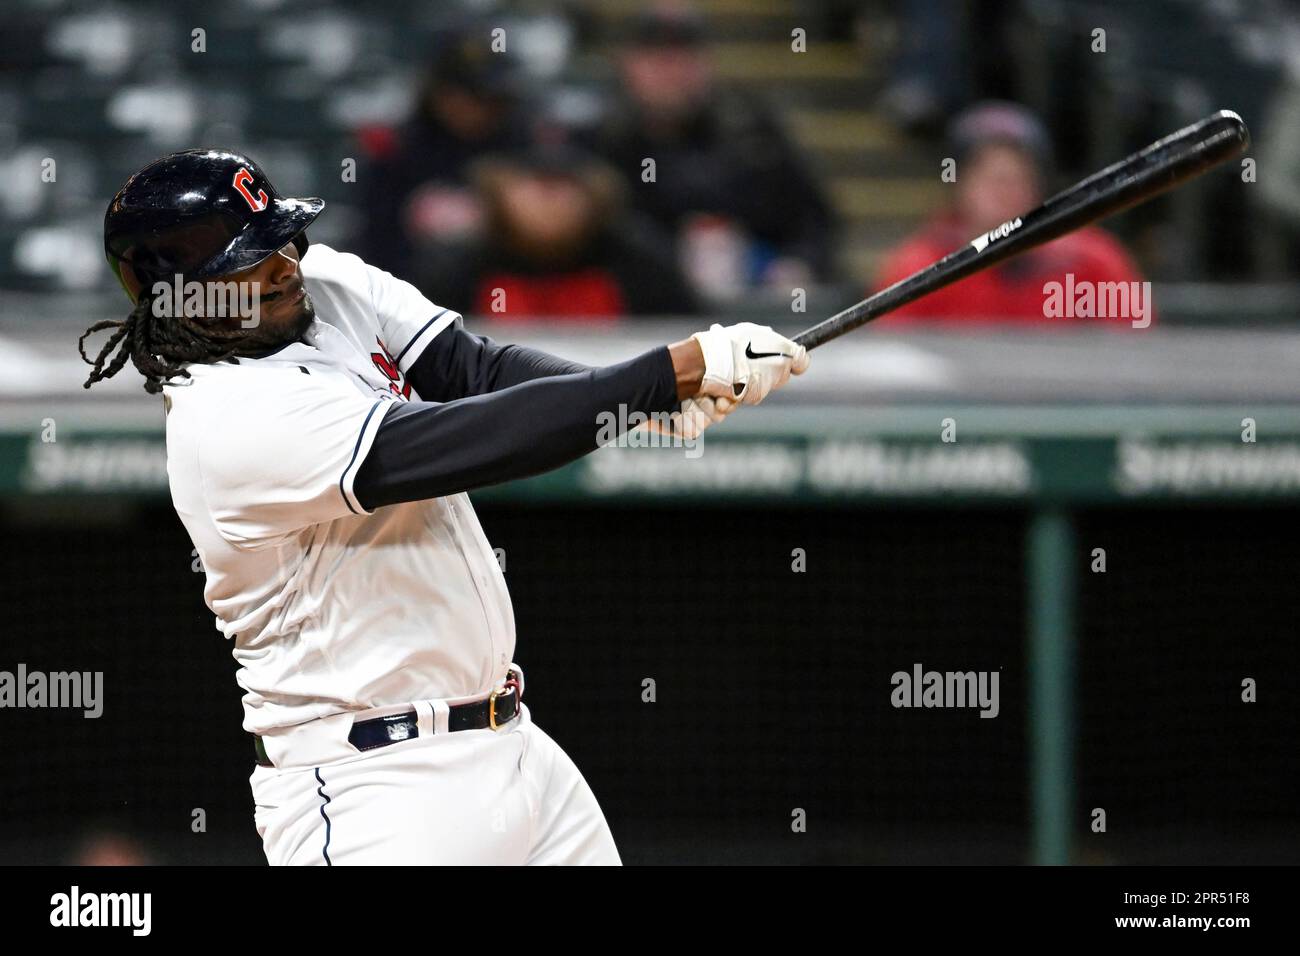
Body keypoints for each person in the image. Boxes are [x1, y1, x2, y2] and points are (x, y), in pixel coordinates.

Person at [82, 148, 808, 865]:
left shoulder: (324, 283)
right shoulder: (229, 423)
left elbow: (475, 371)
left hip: (515, 745)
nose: (282, 265)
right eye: (244, 261)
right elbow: (477, 437)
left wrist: (640, 403)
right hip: (377, 788)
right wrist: (667, 372)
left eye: (278, 240)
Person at [586, 8, 836, 297]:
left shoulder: (752, 134)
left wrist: (797, 265)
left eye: (684, 57)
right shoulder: (603, 141)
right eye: (657, 60)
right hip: (635, 312)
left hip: (748, 307)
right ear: (628, 64)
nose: (672, 71)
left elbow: (812, 220)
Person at [874, 102, 1151, 325]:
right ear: (961, 186)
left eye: (1019, 179)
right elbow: (891, 363)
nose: (1006, 193)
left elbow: (1138, 354)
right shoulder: (921, 269)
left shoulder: (1090, 260)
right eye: (993, 179)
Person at [414, 136, 699, 319]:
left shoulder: (641, 264)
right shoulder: (457, 269)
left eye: (565, 185)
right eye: (536, 184)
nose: (550, 201)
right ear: (500, 191)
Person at [355, 24, 533, 278]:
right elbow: (378, 247)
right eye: (476, 97)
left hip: (504, 296)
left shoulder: (523, 150)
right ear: (441, 93)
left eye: (495, 99)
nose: (484, 109)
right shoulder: (397, 154)